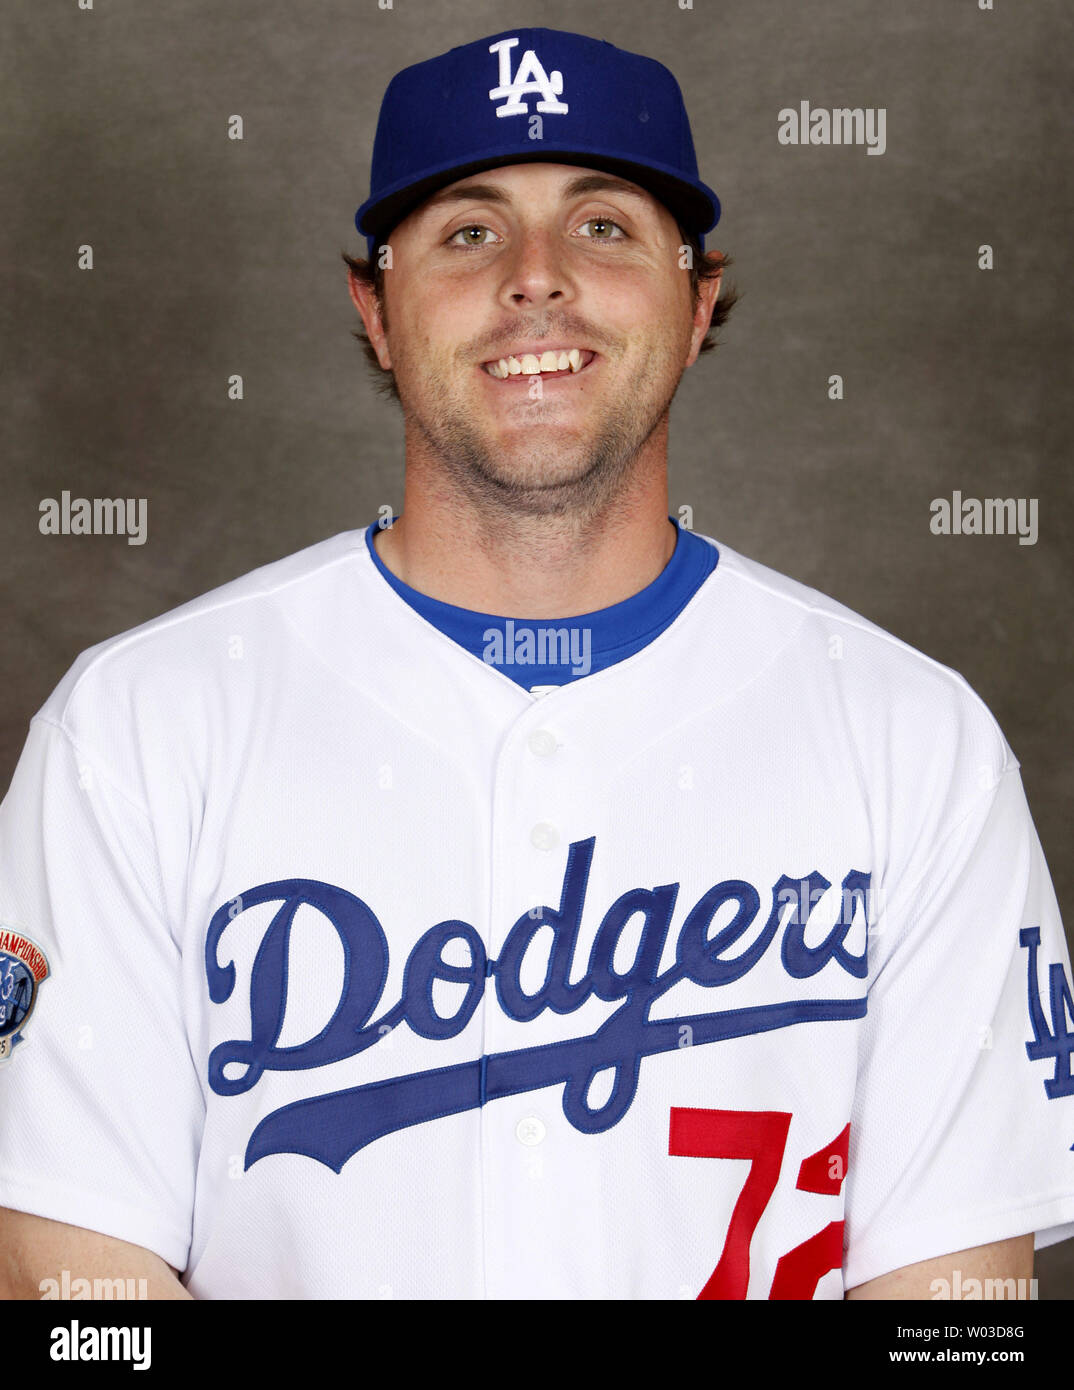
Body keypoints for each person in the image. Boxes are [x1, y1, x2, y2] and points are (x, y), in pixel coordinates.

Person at [1, 27, 1072, 1302]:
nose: (536, 279)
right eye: (468, 230)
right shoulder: (136, 725)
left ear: (698, 298)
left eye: (606, 225)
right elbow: (67, 1275)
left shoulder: (916, 741)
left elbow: (959, 1305)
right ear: (375, 308)